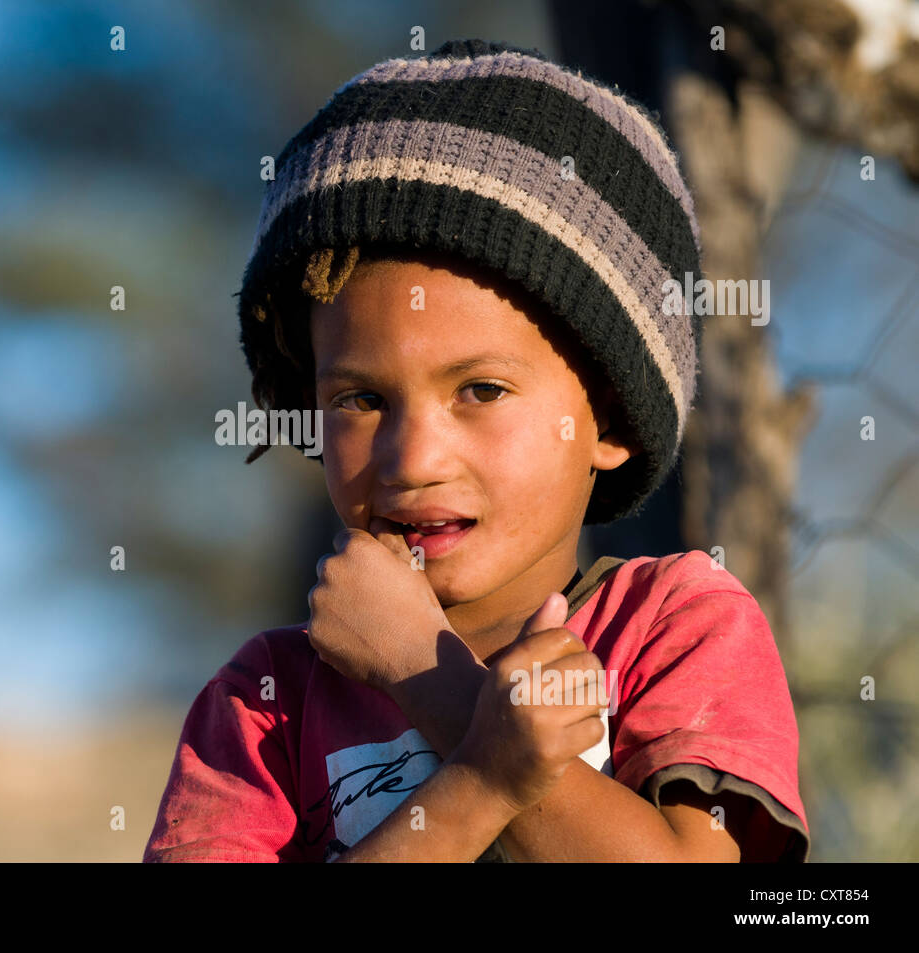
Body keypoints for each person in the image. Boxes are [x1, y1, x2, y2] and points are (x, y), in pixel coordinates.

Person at [143, 38, 808, 862]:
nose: (413, 458)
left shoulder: (672, 625)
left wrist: (434, 681)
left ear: (612, 420)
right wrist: (484, 779)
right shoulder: (266, 701)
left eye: (481, 390)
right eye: (360, 399)